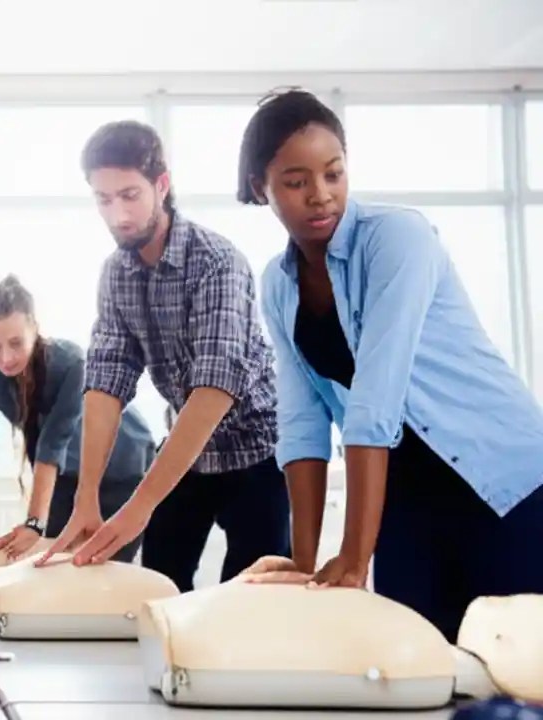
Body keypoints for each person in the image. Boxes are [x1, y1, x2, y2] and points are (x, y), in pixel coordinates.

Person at [235, 89, 543, 641]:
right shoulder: (278, 284)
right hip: (406, 496)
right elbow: (302, 427)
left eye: (333, 174)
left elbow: (376, 399)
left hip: (503, 481)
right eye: (296, 181)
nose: (321, 196)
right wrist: (304, 562)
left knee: (522, 669)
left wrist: (354, 558)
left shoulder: (398, 238)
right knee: (419, 668)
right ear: (262, 187)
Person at [41, 120, 291, 592]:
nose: (118, 214)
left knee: (250, 600)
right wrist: (87, 495)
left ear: (162, 185)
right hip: (187, 458)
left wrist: (138, 506)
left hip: (257, 456)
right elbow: (106, 383)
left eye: (130, 195)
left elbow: (213, 391)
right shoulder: (116, 274)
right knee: (156, 589)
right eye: (104, 199)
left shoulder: (218, 262)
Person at [0, 275, 157, 562]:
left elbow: (52, 443)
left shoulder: (70, 363)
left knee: (98, 566)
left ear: (34, 328)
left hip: (122, 466)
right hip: (65, 474)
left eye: (15, 343)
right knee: (55, 563)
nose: (5, 358)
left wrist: (34, 522)